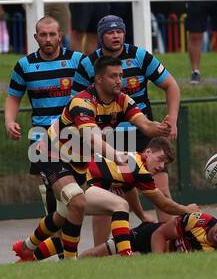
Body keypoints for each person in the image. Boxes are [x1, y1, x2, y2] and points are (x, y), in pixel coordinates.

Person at [12, 54, 171, 261]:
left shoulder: (123, 100)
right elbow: (93, 139)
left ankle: (26, 247)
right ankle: (71, 262)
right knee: (77, 203)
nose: (119, 81)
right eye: (113, 76)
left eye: (121, 76)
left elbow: (144, 124)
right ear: (98, 80)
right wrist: (116, 155)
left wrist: (158, 128)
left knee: (63, 214)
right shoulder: (82, 102)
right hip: (50, 154)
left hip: (77, 164)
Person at [72, 14, 181, 240]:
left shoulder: (140, 56)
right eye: (110, 32)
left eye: (119, 31)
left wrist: (172, 118)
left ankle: (172, 245)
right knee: (106, 201)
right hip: (106, 138)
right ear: (101, 37)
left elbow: (171, 86)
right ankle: (100, 255)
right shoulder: (87, 63)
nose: (116, 36)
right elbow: (76, 103)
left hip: (142, 132)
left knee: (161, 190)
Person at [16, 137, 196, 261]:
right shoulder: (139, 169)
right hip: (77, 183)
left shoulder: (133, 160)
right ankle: (126, 256)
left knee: (61, 230)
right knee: (120, 205)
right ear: (148, 152)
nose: (161, 166)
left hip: (66, 179)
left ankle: (27, 252)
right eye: (160, 159)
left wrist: (141, 216)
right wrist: (187, 210)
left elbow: (128, 188)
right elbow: (162, 203)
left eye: (165, 164)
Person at [4, 15, 81, 218]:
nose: (48, 39)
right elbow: (13, 97)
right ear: (36, 37)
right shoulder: (24, 65)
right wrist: (9, 121)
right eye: (43, 35)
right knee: (47, 193)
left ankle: (67, 239)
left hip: (73, 133)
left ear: (60, 36)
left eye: (52, 34)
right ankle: (56, 241)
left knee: (74, 193)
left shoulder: (77, 60)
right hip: (41, 134)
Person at [82, 206, 217, 257]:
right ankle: (70, 264)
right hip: (149, 236)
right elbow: (160, 234)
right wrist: (159, 265)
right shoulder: (198, 220)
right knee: (102, 252)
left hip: (168, 257)